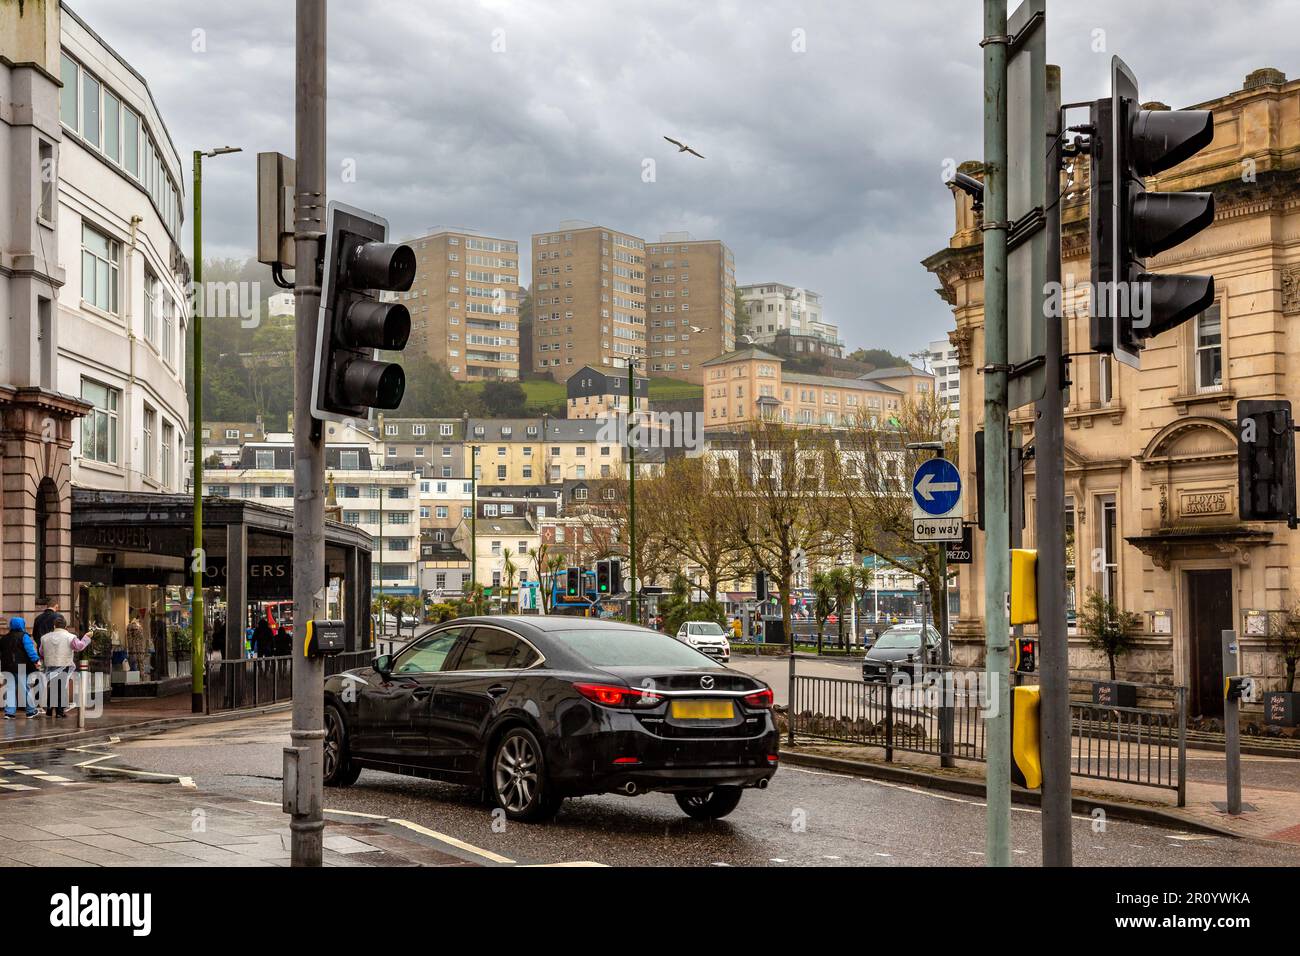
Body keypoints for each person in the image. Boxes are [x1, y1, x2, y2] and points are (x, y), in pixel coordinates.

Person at [39, 615, 90, 718]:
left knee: (52, 686)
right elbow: (79, 646)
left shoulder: (44, 637)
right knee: (61, 687)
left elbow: (41, 651)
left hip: (50, 665)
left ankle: (49, 709)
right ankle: (59, 711)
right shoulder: (70, 637)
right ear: (65, 626)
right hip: (64, 664)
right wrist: (87, 637)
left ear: (54, 626)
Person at [1, 617, 43, 719]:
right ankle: (30, 711)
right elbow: (30, 650)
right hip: (21, 667)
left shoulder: (4, 638)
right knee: (24, 688)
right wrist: (36, 660)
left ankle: (9, 713)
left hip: (7, 667)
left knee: (10, 689)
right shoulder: (24, 636)